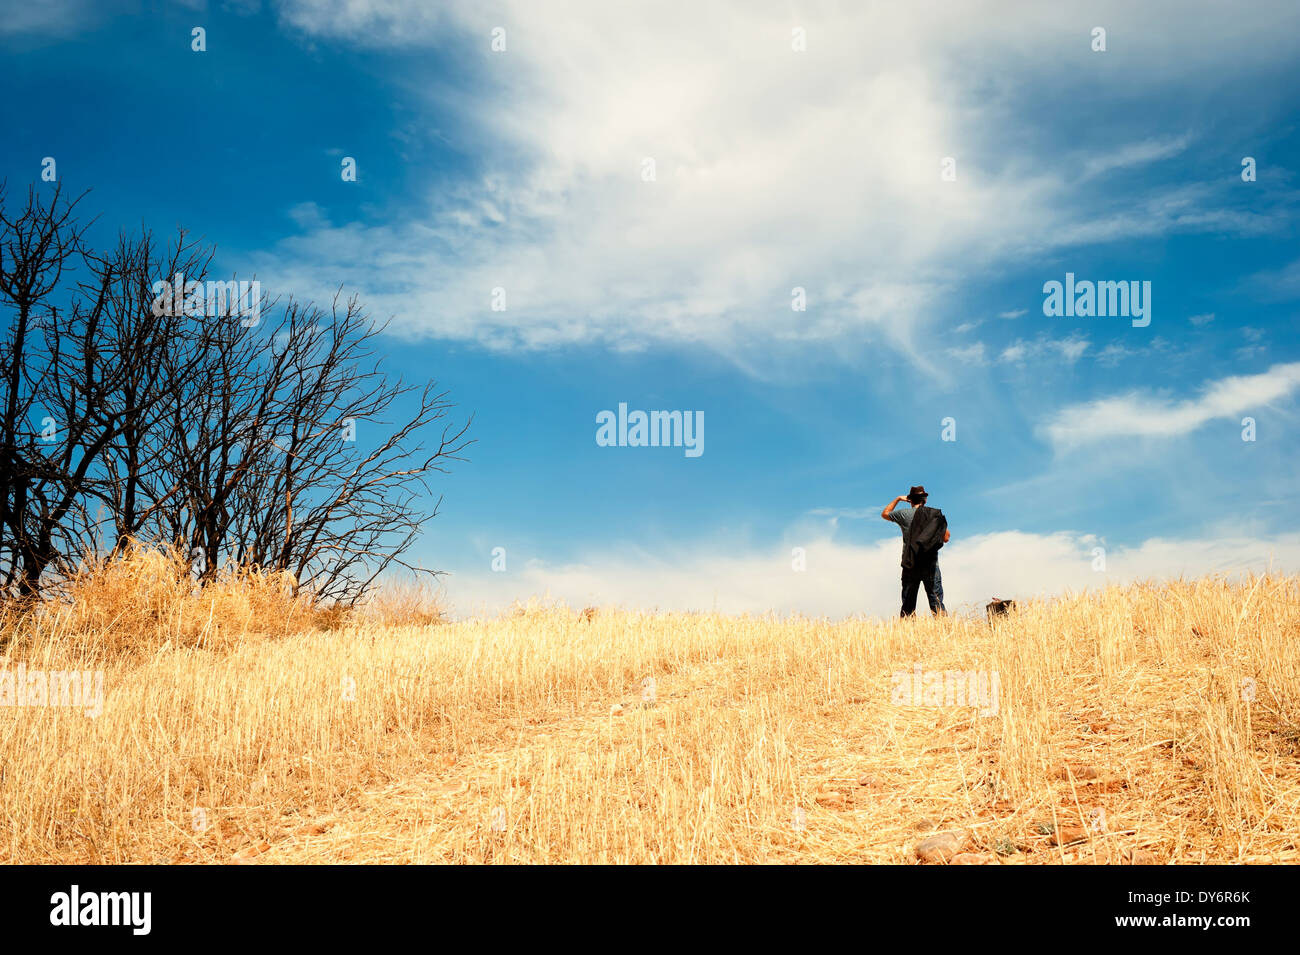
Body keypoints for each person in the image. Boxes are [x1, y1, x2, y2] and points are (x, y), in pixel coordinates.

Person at [881, 485, 950, 617]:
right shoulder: (935, 514)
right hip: (931, 564)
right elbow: (946, 538)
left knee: (908, 605)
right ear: (925, 499)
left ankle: (908, 633)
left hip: (910, 563)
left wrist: (898, 499)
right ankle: (943, 630)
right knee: (936, 602)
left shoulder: (904, 514)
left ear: (910, 500)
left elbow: (885, 514)